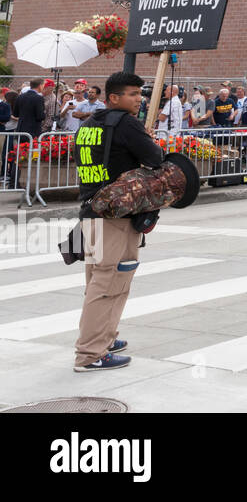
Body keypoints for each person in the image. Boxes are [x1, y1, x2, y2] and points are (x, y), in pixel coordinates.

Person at [73, 70, 165, 372]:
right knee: (110, 282)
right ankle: (91, 353)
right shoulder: (127, 124)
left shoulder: (88, 124)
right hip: (117, 217)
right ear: (114, 98)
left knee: (99, 280)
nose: (140, 100)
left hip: (91, 212)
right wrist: (148, 141)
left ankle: (104, 337)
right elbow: (155, 158)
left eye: (140, 94)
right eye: (133, 94)